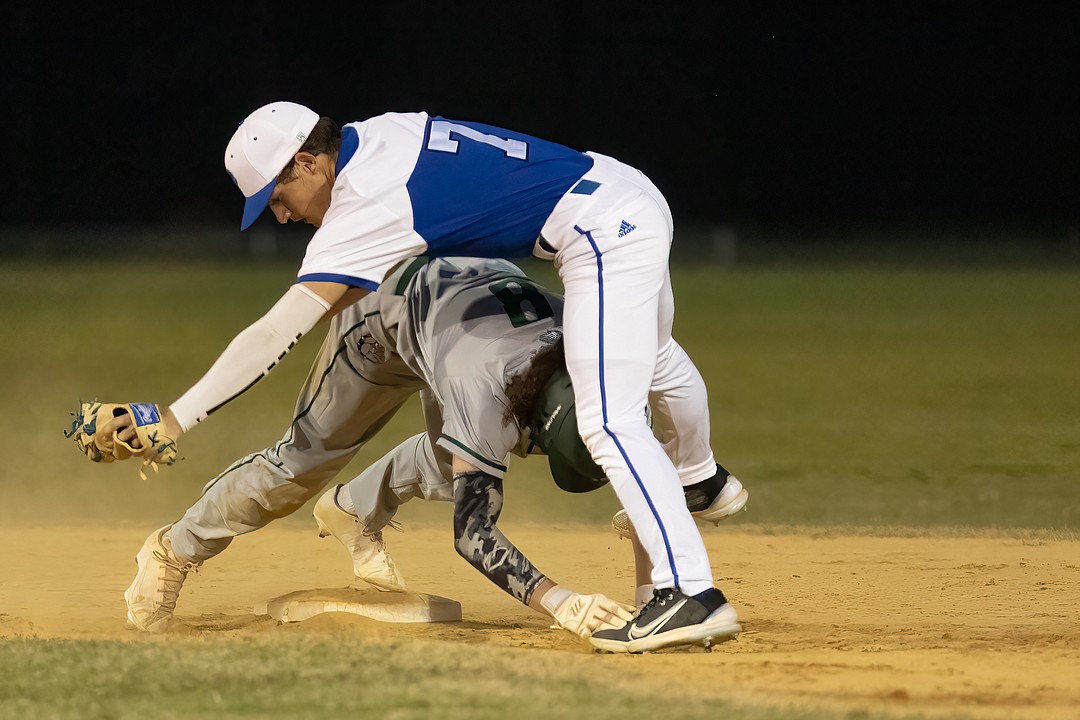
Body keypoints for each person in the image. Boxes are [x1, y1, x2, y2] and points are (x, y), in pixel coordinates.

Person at [116, 101, 742, 652]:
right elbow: (278, 332)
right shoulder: (383, 134)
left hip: (579, 240)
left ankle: (687, 572)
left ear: (308, 161)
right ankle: (174, 549)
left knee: (599, 418)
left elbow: (274, 333)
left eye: (276, 199)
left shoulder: (362, 204)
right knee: (305, 462)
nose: (279, 217)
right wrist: (175, 419)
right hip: (610, 200)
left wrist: (170, 419)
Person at [124, 256, 748, 642]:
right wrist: (560, 601)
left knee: (468, 461)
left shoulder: (606, 360)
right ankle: (173, 549)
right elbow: (472, 534)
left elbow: (644, 469)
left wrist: (648, 601)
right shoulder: (487, 394)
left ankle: (354, 509)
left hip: (459, 319)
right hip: (383, 316)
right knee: (300, 467)